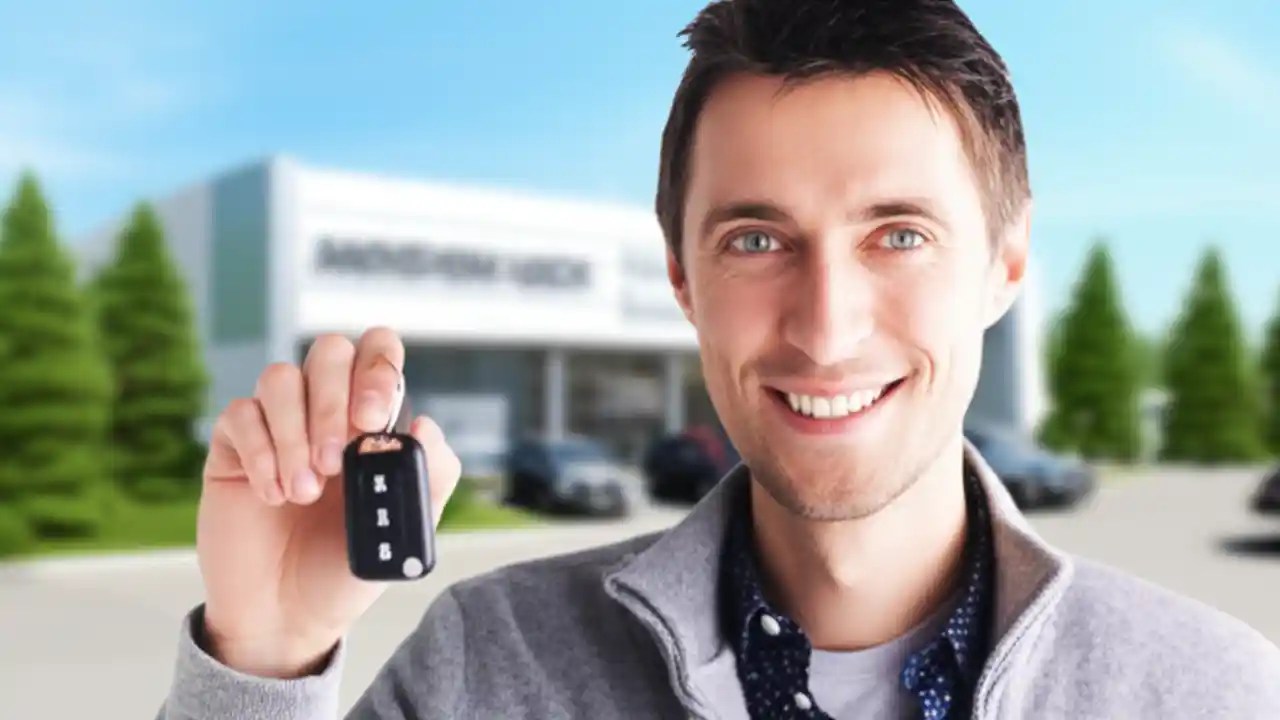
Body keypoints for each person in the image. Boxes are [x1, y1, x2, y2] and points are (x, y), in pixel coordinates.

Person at [156, 1, 1280, 718]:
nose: (825, 328)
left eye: (898, 235)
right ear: (682, 278)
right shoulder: (487, 668)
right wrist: (265, 656)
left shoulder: (1214, 694)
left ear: (1006, 263)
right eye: (755, 240)